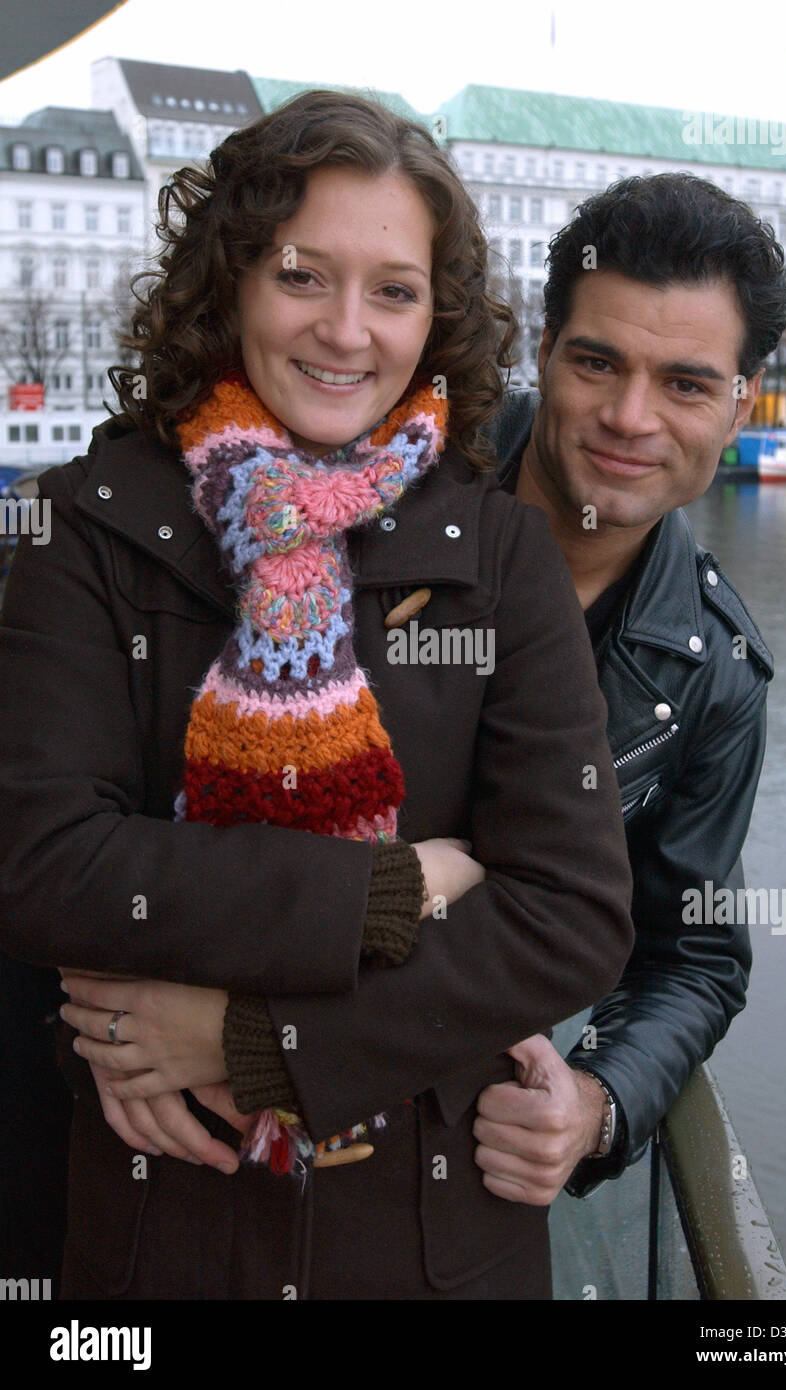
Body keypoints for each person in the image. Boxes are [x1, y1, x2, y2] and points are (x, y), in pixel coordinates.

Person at [0, 90, 634, 1300]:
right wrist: (392, 889)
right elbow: (41, 862)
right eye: (302, 276)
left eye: (393, 290)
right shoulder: (86, 526)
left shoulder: (496, 552)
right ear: (229, 281)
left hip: (434, 1241)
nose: (348, 331)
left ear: (433, 314)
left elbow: (571, 914)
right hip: (155, 1246)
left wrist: (255, 1042)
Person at [472, 174, 786, 1207]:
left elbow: (694, 952)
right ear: (544, 351)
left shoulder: (714, 674)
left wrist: (597, 1101)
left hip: (454, 1139)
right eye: (596, 361)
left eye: (686, 384)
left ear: (742, 404)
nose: (627, 418)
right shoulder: (390, 468)